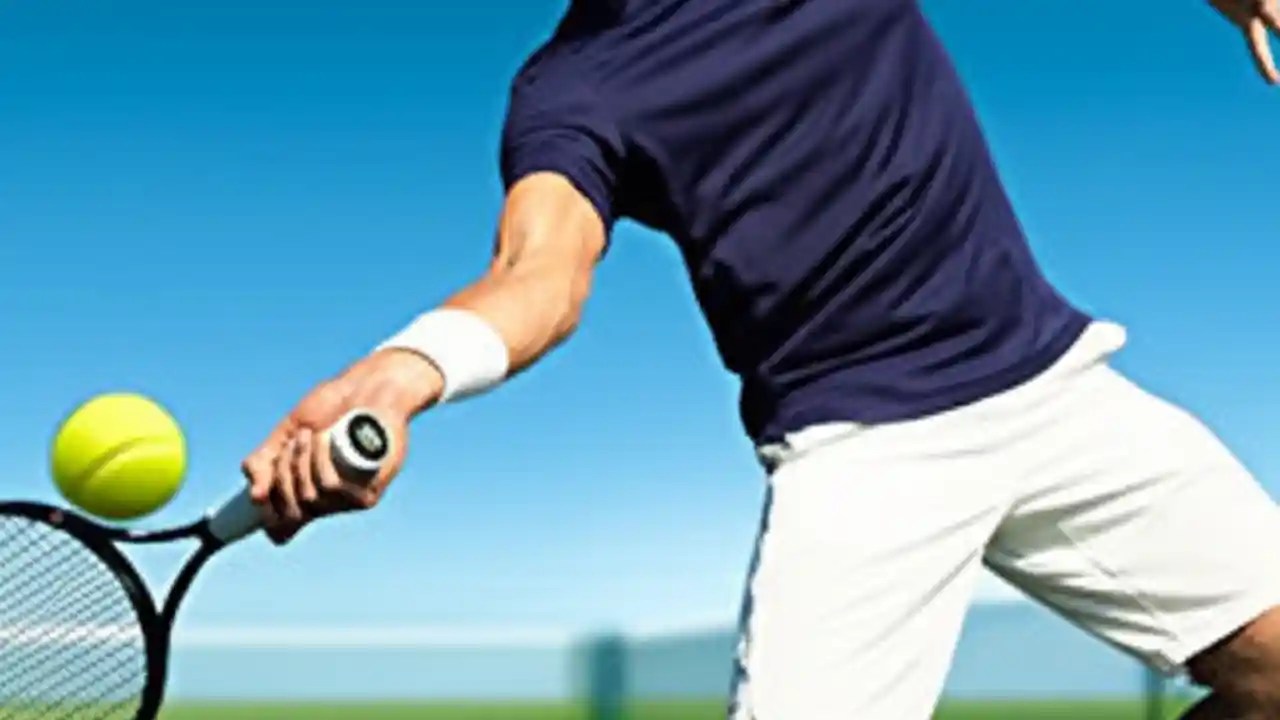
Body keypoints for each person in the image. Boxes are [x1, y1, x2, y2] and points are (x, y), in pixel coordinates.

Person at [239, 1, 1280, 717]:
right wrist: (403, 371)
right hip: (863, 458)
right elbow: (538, 277)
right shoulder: (571, 91)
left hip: (1050, 387)